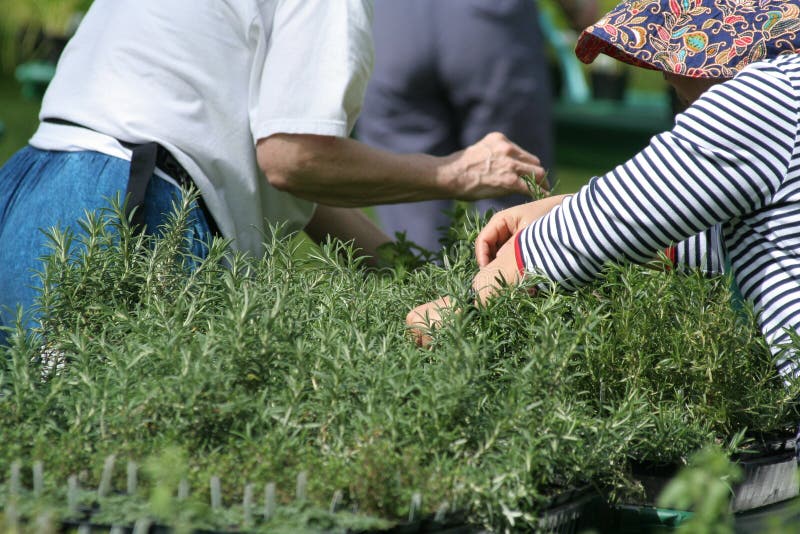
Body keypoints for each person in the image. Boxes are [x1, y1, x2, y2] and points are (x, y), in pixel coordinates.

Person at [0, 0, 547, 340]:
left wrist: (423, 283)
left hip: (35, 188)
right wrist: (455, 171)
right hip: (132, 208)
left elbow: (287, 173)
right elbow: (293, 159)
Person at [407, 0, 800, 383]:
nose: (663, 72)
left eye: (676, 53)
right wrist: (565, 207)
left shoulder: (770, 95)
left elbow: (614, 218)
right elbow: (749, 236)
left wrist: (465, 304)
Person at [356, 0, 597, 253]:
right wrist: (578, 11)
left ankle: (420, 289)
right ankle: (513, 286)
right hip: (490, 27)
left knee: (411, 226)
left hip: (390, 28)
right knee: (516, 200)